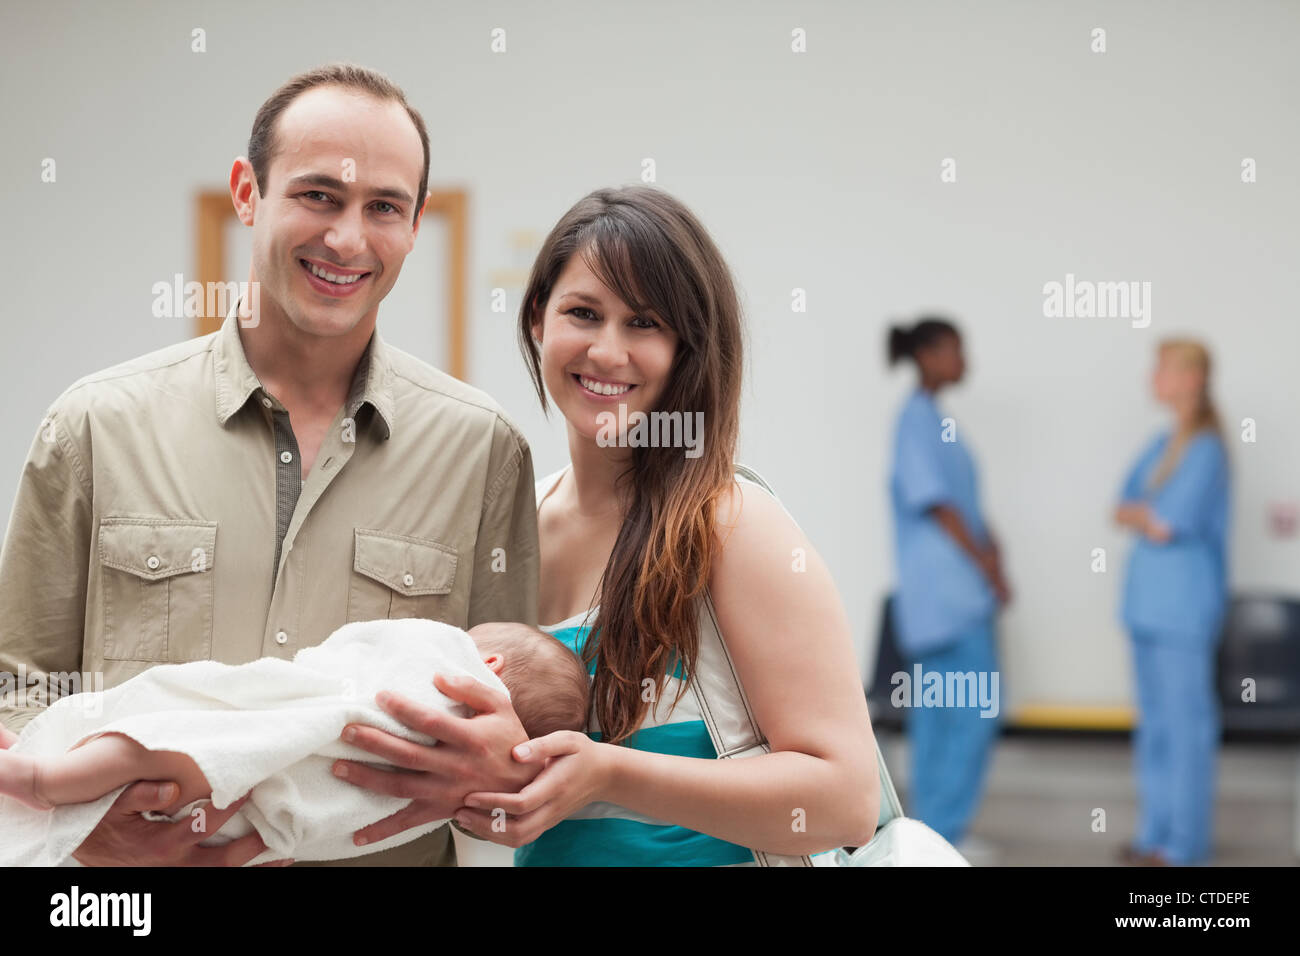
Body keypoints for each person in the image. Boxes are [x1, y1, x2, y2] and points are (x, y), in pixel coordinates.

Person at [0, 63, 542, 867]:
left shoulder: (483, 451)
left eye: (383, 207)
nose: (347, 239)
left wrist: (497, 769)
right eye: (319, 195)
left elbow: (505, 732)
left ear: (416, 223)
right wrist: (92, 837)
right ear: (247, 193)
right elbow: (20, 688)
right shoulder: (95, 426)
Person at [438, 184, 880, 866]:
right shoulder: (512, 530)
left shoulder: (730, 526)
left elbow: (843, 801)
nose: (607, 352)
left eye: (644, 323)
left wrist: (610, 774)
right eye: (583, 313)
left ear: (688, 348)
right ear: (537, 319)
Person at [0, 619, 587, 866]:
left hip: (265, 755)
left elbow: (366, 667)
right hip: (264, 821)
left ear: (485, 664)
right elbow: (19, 670)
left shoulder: (447, 681)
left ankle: (40, 779)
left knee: (166, 745)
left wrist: (503, 778)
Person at [885, 316, 1007, 855]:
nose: (967, 363)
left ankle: (934, 836)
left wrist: (991, 548)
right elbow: (937, 503)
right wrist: (986, 562)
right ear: (930, 355)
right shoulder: (916, 421)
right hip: (948, 598)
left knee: (943, 715)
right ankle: (942, 835)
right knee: (967, 712)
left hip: (949, 598)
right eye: (958, 351)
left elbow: (964, 503)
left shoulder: (935, 420)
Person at [1114, 338, 1229, 867]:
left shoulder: (1207, 449)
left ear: (1190, 378)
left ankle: (1183, 849)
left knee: (1186, 732)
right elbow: (1121, 505)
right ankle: (1154, 839)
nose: (1150, 377)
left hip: (1184, 611)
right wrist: (1144, 514)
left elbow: (1162, 524)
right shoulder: (1164, 443)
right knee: (1156, 729)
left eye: (1160, 369)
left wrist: (1145, 514)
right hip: (1147, 610)